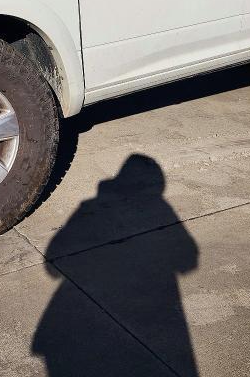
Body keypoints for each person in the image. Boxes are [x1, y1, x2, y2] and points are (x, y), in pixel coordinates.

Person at [31, 153, 199, 376]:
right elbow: (188, 259)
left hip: (70, 322)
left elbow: (51, 264)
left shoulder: (87, 207)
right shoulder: (160, 207)